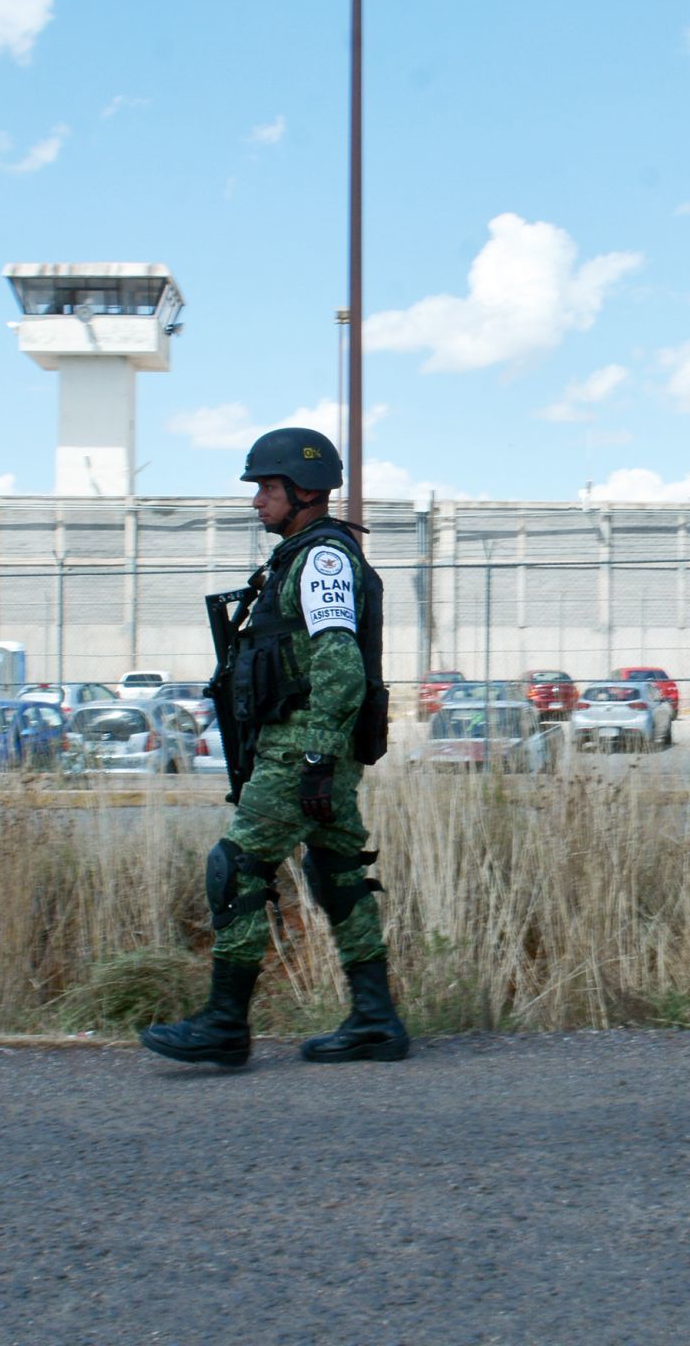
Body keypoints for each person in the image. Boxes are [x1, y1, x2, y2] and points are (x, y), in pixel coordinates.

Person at [142, 427, 409, 1066]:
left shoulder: (320, 561)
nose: (257, 500)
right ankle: (375, 1020)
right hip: (313, 743)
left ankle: (225, 1025)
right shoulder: (300, 557)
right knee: (337, 872)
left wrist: (316, 758)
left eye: (267, 487)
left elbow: (340, 665)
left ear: (305, 490)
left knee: (234, 867)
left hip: (305, 746)